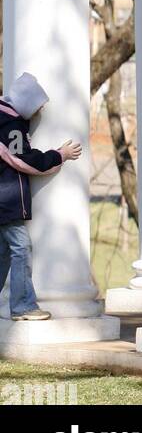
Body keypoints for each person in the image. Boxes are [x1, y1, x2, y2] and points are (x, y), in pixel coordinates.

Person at [0, 72, 82, 321]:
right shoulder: (10, 125)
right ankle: (23, 306)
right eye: (38, 107)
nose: (39, 112)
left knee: (4, 252)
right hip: (6, 199)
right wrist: (60, 155)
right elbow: (23, 159)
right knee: (21, 247)